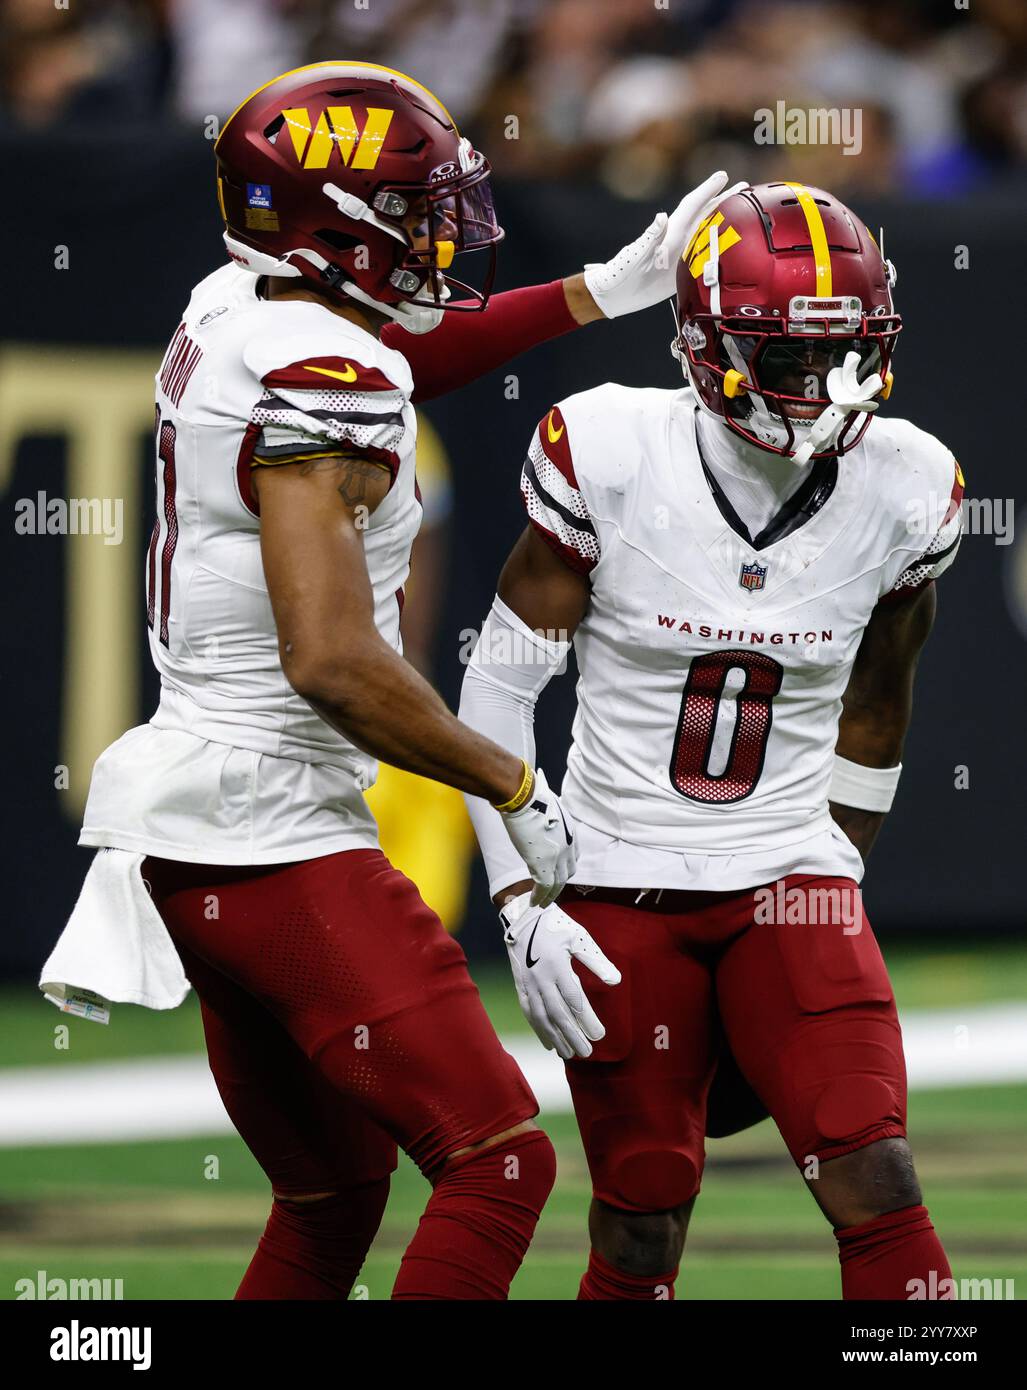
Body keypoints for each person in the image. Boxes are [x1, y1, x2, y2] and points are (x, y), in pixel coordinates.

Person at [46, 60, 733, 1301]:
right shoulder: (323, 374)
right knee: (499, 1163)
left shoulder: (237, 303)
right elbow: (332, 659)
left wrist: (600, 292)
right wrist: (512, 782)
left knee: (334, 1193)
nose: (442, 233)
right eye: (414, 208)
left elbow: (405, 361)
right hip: (267, 826)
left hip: (197, 817)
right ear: (338, 226)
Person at [460, 180, 960, 1300]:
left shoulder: (910, 482)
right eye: (793, 360)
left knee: (875, 1170)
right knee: (643, 1215)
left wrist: (833, 871)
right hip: (615, 879)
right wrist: (516, 904)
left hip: (789, 870)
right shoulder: (609, 448)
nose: (831, 395)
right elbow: (494, 697)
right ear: (705, 348)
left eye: (851, 356)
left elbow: (877, 702)